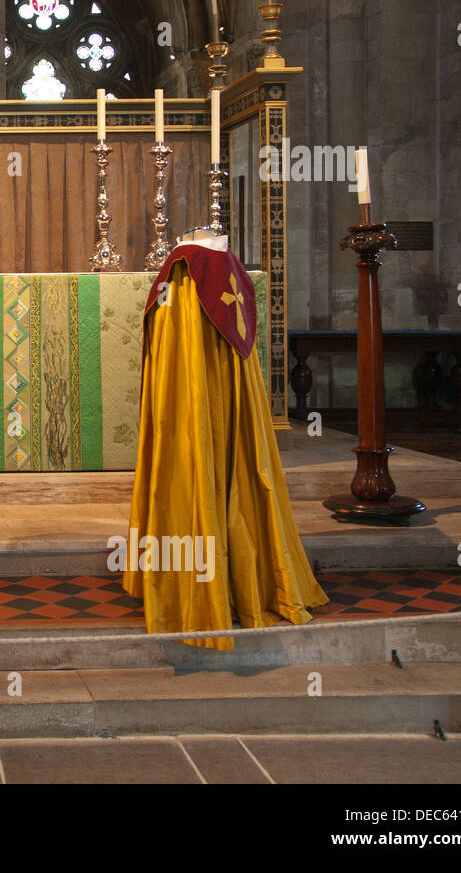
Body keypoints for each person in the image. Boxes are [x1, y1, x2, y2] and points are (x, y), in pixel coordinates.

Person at [123, 237, 327, 649]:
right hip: (222, 404)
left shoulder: (184, 277)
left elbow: (177, 350)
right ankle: (245, 580)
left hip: (196, 408)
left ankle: (190, 586)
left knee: (192, 465)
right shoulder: (224, 271)